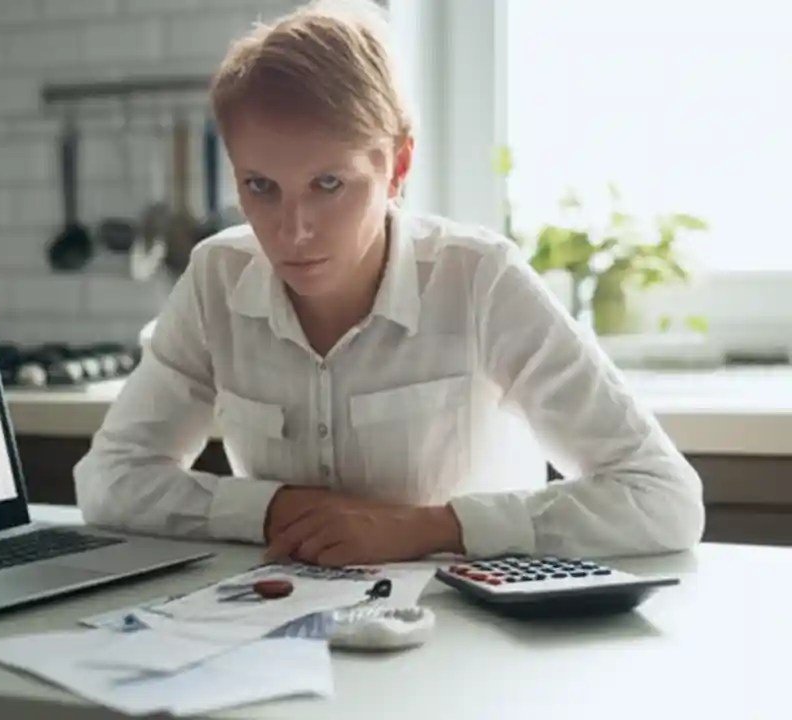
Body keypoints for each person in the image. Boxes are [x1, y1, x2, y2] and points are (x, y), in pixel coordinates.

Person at [73, 0, 704, 566]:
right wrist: (276, 509)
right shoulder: (216, 278)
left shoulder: (480, 279)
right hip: (281, 636)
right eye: (260, 187)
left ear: (398, 164)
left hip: (474, 649)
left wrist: (425, 528)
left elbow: (663, 498)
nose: (292, 231)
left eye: (329, 184)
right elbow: (108, 481)